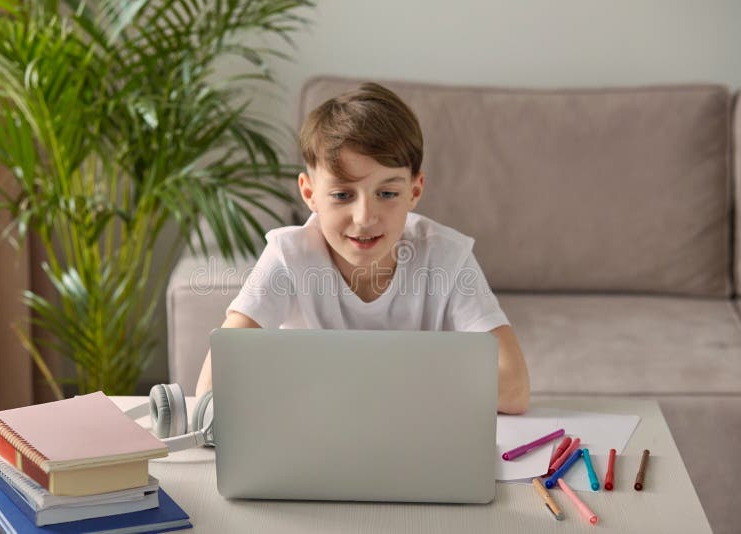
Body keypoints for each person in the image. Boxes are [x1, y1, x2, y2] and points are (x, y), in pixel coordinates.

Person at [195, 82, 530, 414]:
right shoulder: (289, 255)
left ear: (415, 191)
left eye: (387, 194)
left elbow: (515, 388)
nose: (365, 217)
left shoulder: (447, 256)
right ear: (309, 193)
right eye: (342, 195)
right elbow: (212, 387)